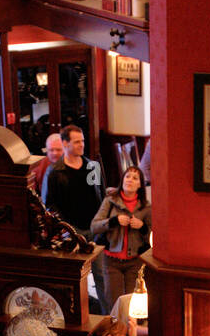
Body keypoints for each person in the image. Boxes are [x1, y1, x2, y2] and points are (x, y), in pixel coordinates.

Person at [46, 125, 106, 302]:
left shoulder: (91, 167)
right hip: (72, 233)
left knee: (102, 277)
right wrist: (67, 230)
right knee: (75, 279)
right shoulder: (56, 172)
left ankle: (107, 316)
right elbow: (51, 206)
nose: (82, 145)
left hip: (95, 230)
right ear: (65, 143)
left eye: (83, 141)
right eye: (77, 141)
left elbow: (101, 196)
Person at [90, 166, 152, 311]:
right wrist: (113, 221)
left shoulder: (146, 207)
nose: (130, 180)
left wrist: (142, 227)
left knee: (132, 305)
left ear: (140, 185)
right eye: (127, 176)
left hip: (135, 262)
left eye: (135, 178)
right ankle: (113, 333)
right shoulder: (110, 200)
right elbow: (94, 226)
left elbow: (153, 236)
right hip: (111, 261)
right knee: (113, 304)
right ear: (122, 180)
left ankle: (130, 332)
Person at [28, 132, 64, 202]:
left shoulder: (75, 165)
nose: (54, 153)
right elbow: (31, 190)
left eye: (58, 150)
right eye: (51, 150)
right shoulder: (41, 165)